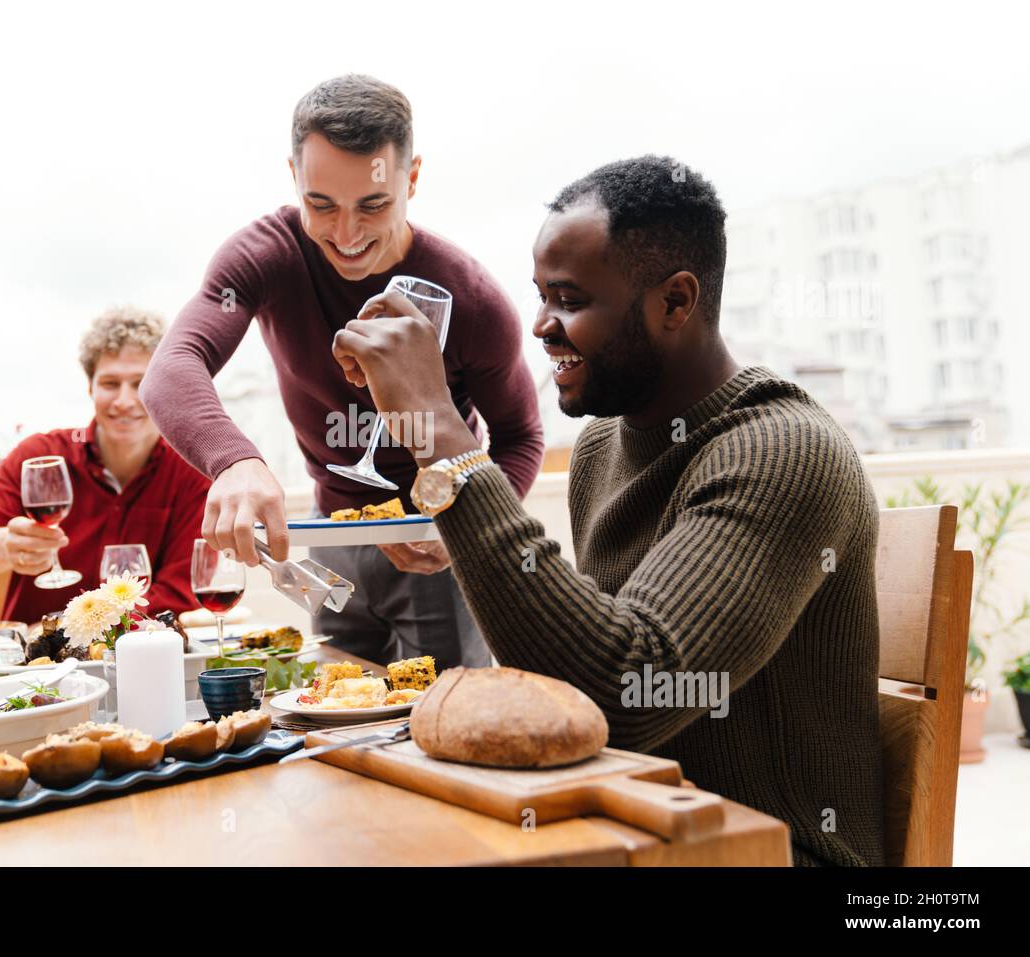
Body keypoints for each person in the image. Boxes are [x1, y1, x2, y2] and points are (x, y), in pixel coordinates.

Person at [330, 156, 884, 867]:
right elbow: (571, 664)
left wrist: (443, 431)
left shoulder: (781, 452)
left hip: (759, 851)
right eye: (540, 295)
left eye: (569, 299)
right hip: (621, 825)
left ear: (675, 303)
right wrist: (451, 501)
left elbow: (626, 691)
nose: (539, 326)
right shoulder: (601, 446)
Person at [141, 74, 544, 668]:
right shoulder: (265, 255)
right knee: (335, 711)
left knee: (440, 717)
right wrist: (234, 460)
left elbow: (521, 437)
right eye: (320, 204)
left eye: (373, 205)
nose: (347, 236)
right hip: (327, 536)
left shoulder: (471, 296)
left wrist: (464, 529)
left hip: (433, 540)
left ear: (411, 179)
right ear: (293, 178)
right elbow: (172, 367)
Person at [0, 306, 211, 622]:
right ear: (90, 387)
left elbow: (180, 594)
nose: (125, 401)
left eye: (140, 383)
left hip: (141, 657)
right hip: (36, 666)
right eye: (110, 383)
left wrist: (84, 626)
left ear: (163, 388)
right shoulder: (39, 457)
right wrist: (5, 546)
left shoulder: (192, 472)